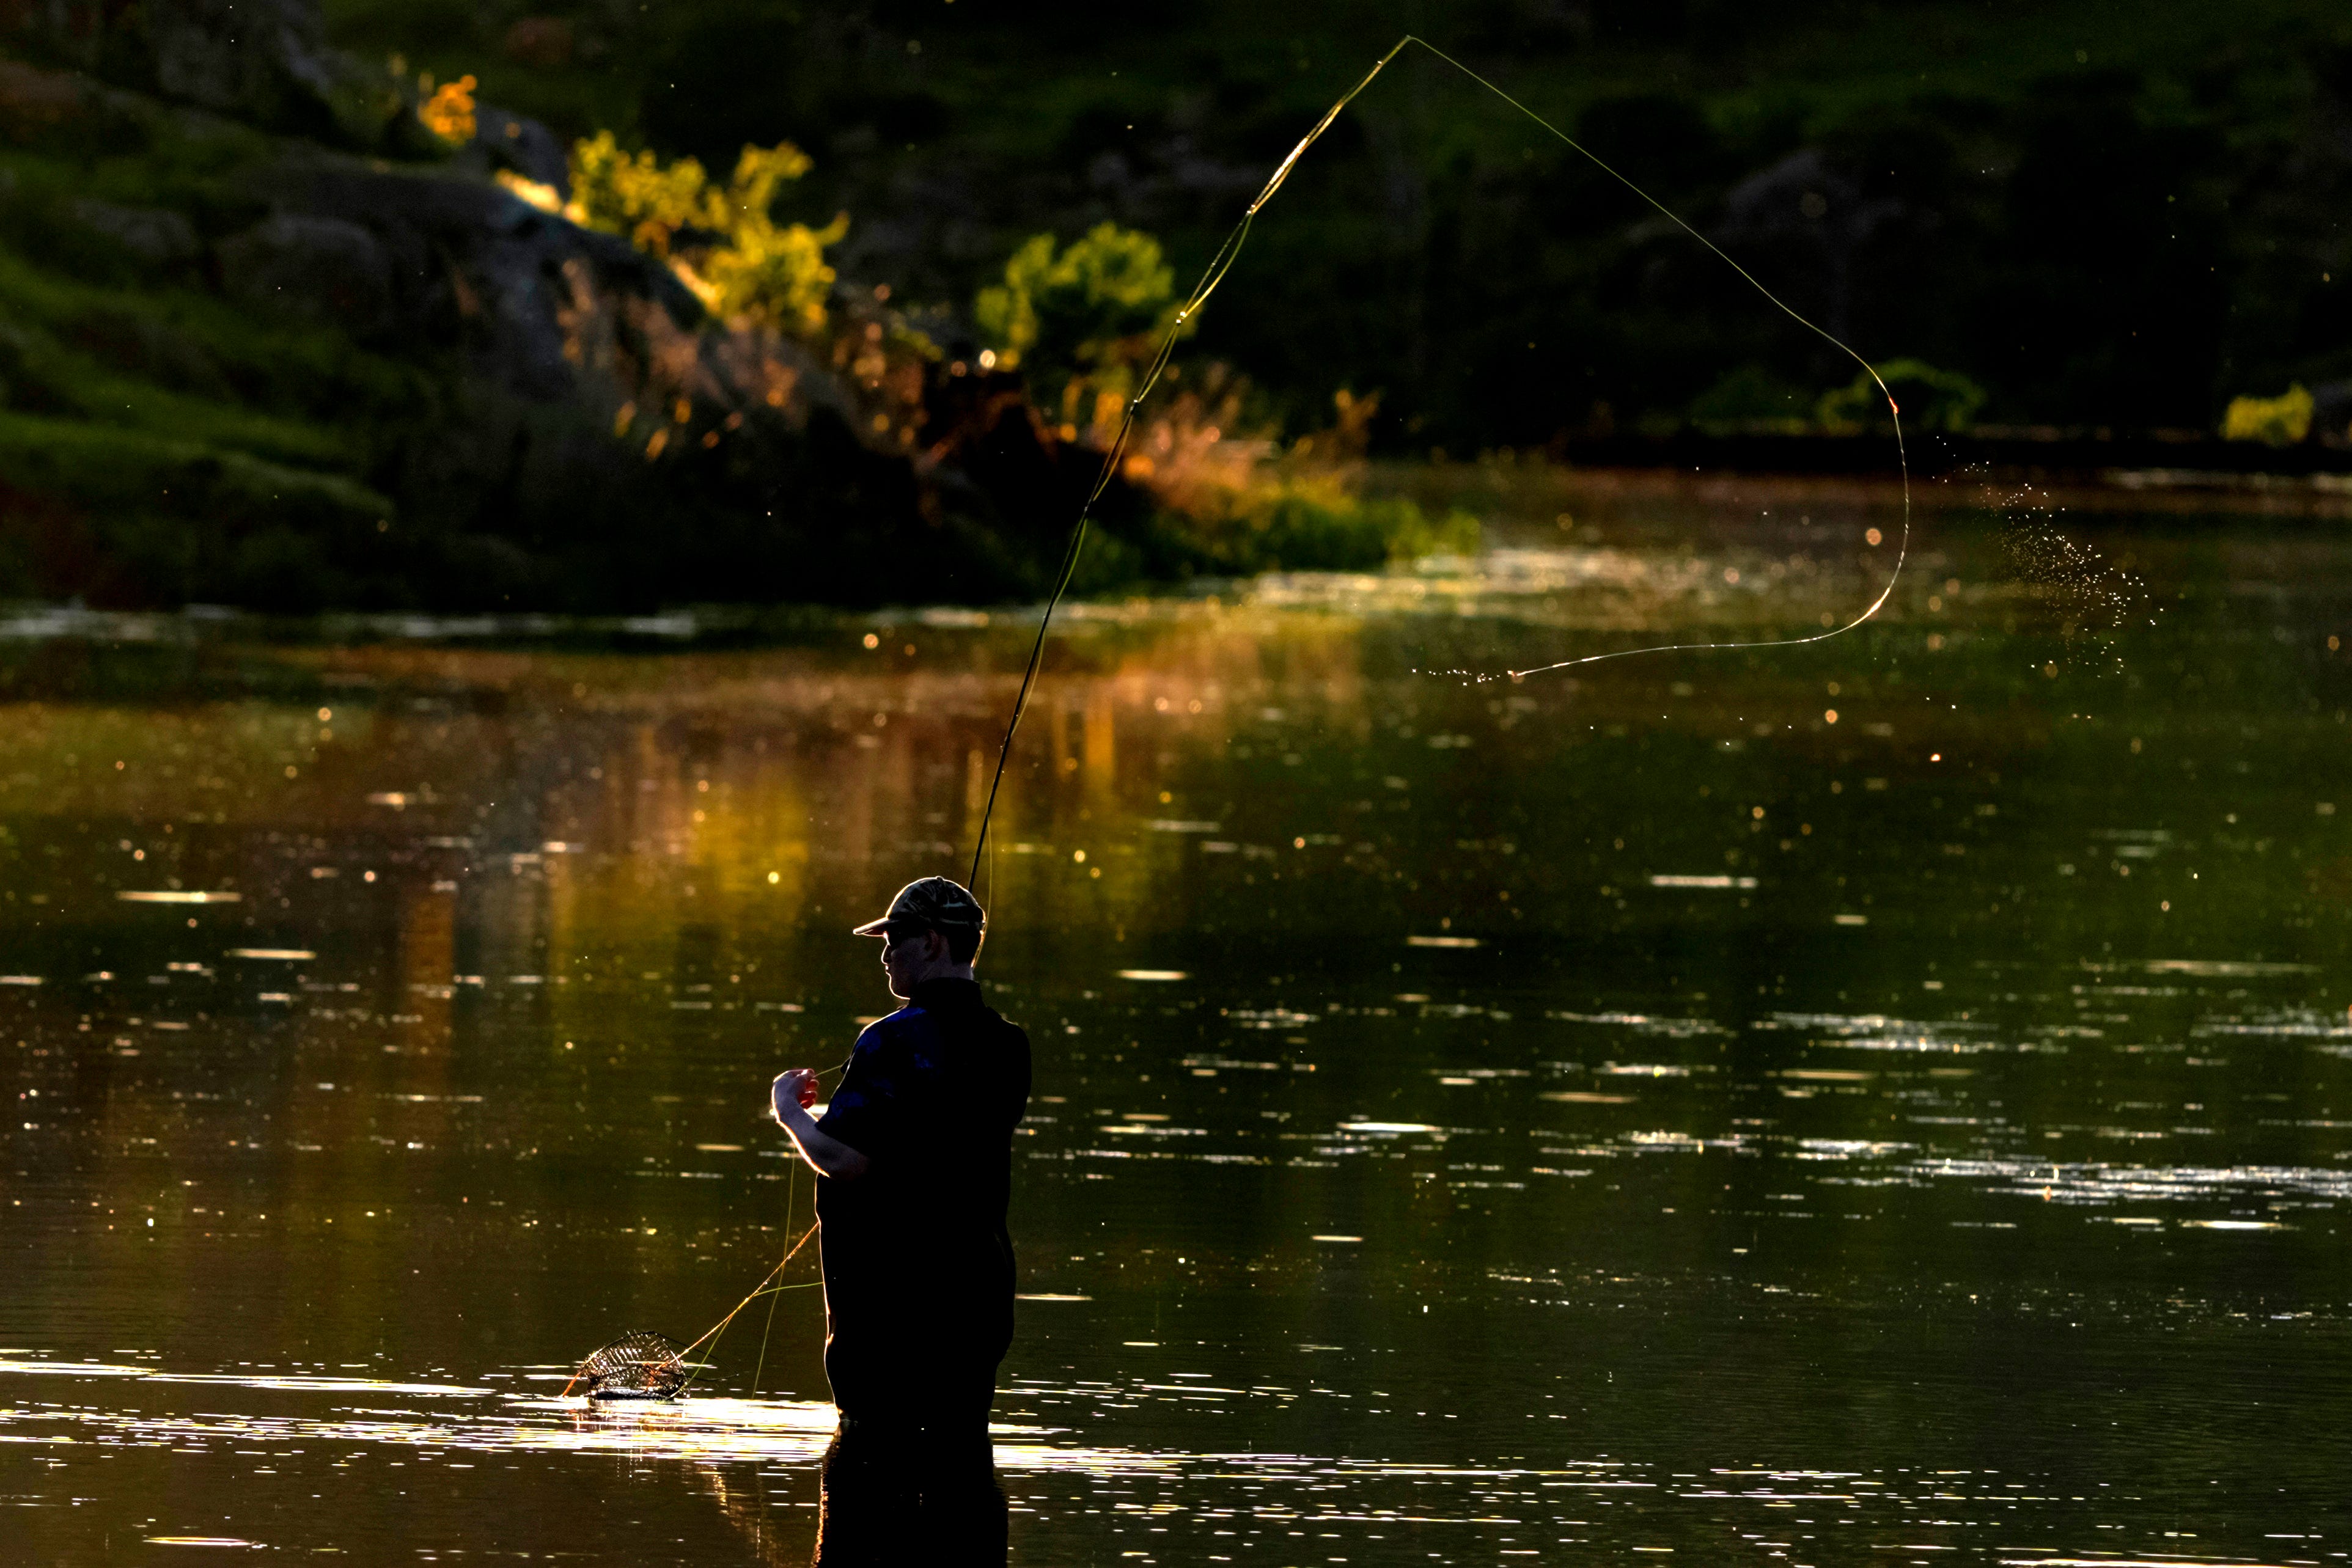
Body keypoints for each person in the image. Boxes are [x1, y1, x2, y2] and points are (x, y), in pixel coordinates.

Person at [769, 876, 1030, 1562]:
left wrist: (792, 1115)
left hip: (890, 1311)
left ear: (933, 942)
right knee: (962, 1486)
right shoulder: (1010, 1047)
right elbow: (933, 1137)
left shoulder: (891, 1039)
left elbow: (848, 1160)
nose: (884, 955)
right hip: (977, 1297)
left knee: (866, 1489)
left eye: (895, 941)